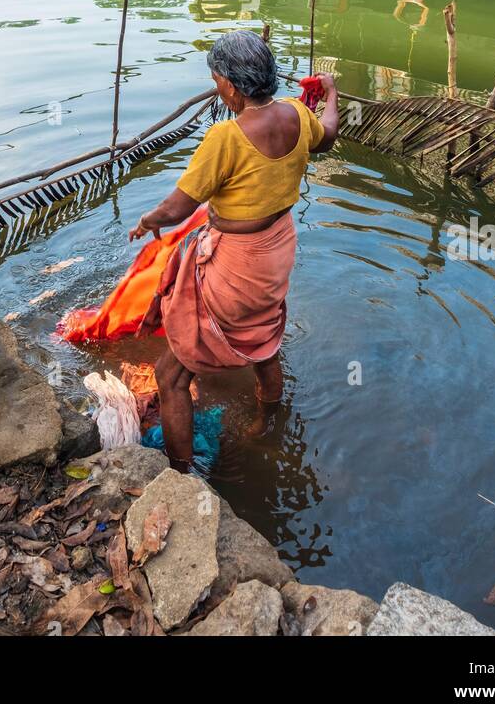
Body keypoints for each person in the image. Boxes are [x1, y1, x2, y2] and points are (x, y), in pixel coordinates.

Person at [129, 29, 339, 470]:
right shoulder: (299, 116)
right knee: (263, 336)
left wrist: (148, 220)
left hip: (237, 261)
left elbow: (179, 206)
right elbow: (329, 134)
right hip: (277, 250)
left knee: (171, 375)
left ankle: (181, 471)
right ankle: (266, 422)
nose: (217, 88)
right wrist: (331, 94)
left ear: (232, 84)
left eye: (217, 80)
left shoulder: (226, 137)